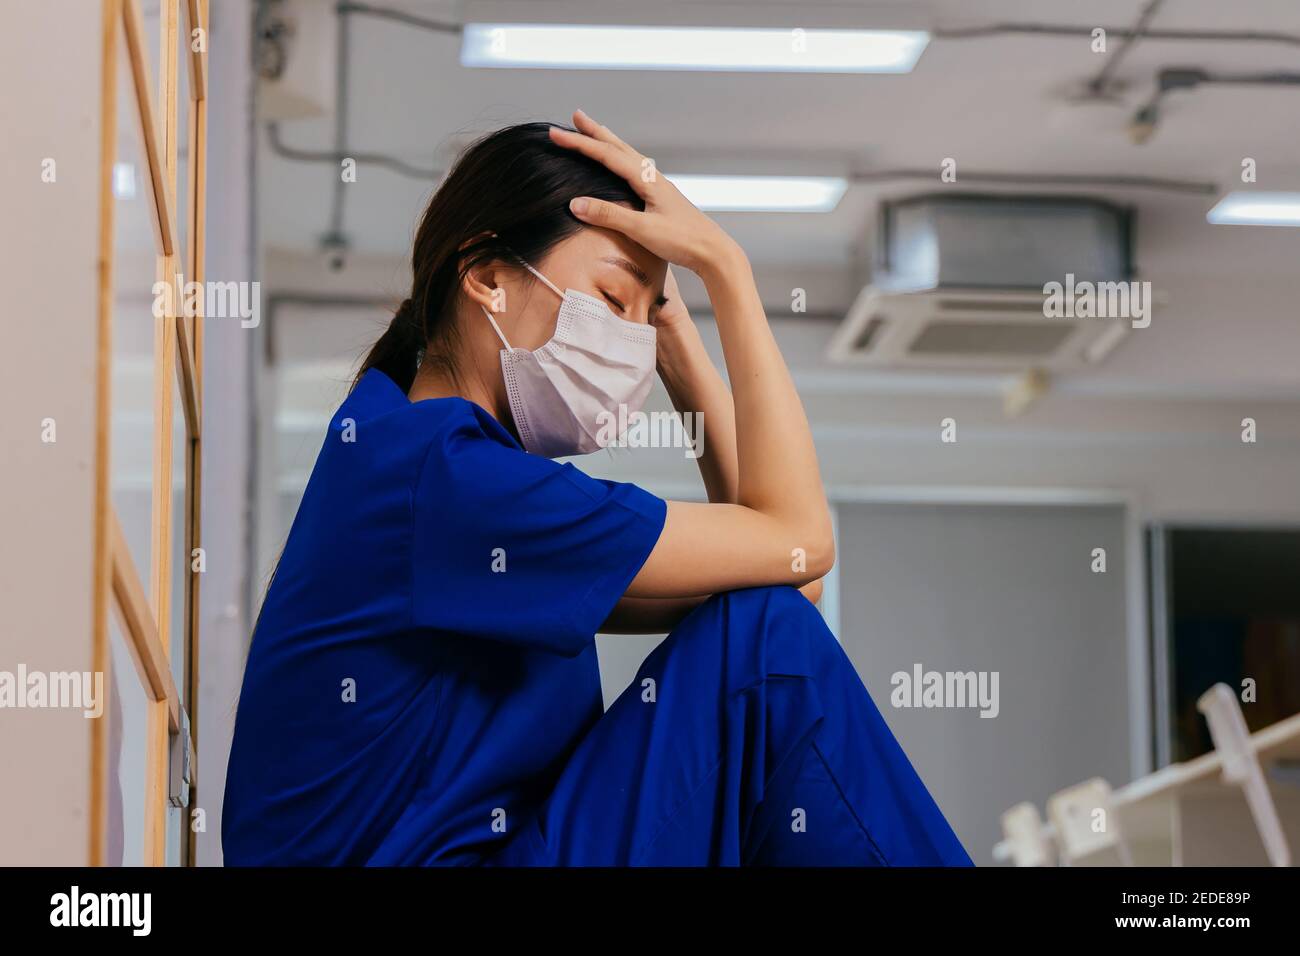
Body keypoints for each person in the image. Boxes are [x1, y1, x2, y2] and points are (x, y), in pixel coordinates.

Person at [222, 111, 972, 867]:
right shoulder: (445, 476)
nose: (632, 344)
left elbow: (789, 578)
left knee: (765, 623)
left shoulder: (431, 465)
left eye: (651, 319)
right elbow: (798, 545)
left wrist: (679, 349)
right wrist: (729, 275)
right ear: (485, 275)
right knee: (768, 646)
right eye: (614, 302)